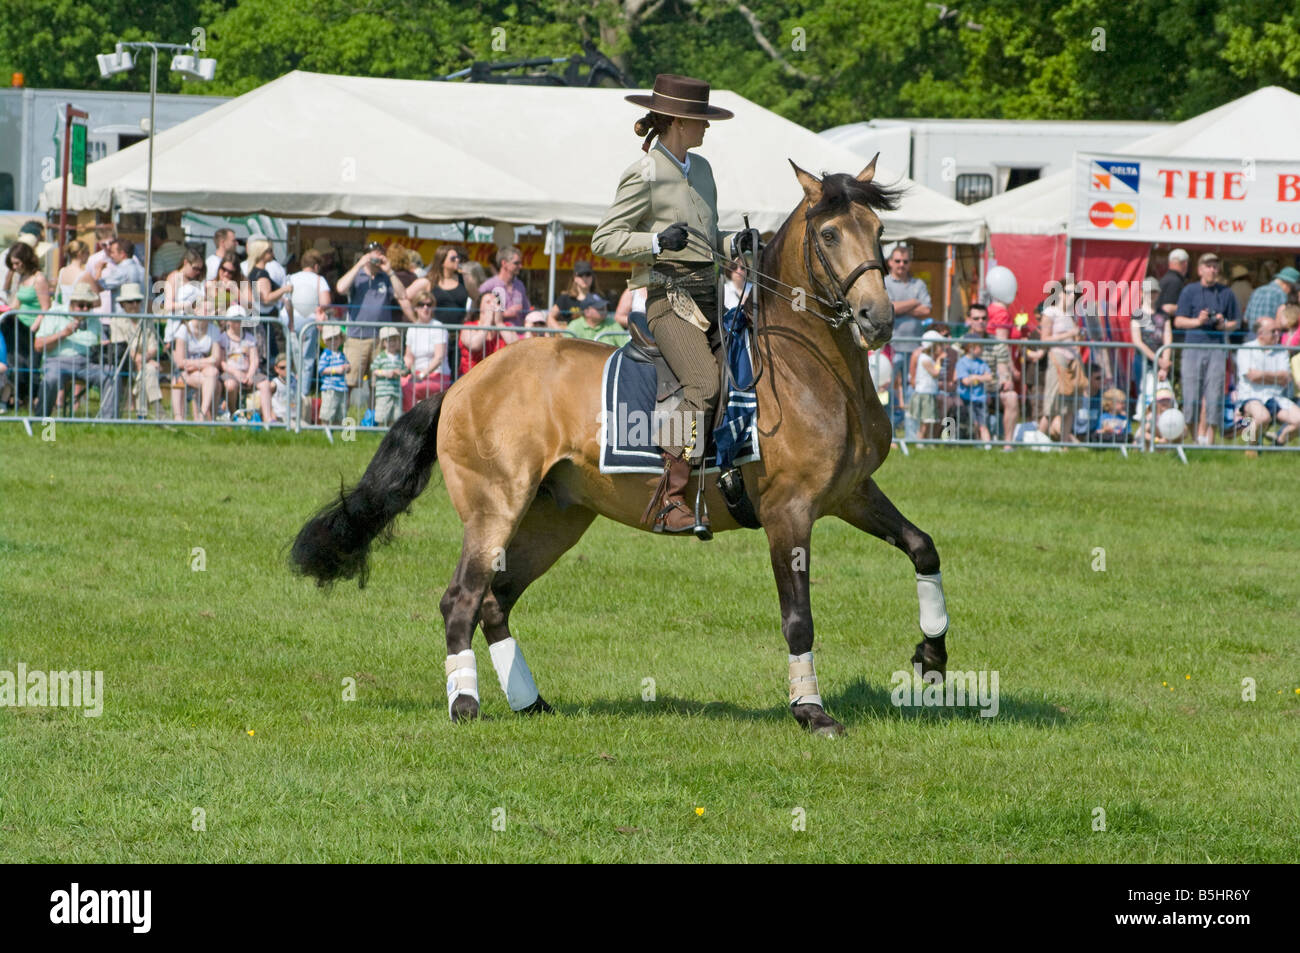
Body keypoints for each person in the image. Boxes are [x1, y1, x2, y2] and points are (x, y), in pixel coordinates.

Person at [590, 72, 749, 535]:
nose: (706, 128)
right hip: (669, 298)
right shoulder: (644, 173)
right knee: (702, 384)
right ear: (679, 121)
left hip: (712, 296)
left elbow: (706, 239)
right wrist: (656, 242)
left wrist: (732, 241)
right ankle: (671, 497)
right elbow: (605, 238)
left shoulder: (702, 170)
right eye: (701, 119)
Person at [336, 242, 414, 417]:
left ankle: (372, 420)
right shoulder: (357, 275)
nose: (376, 257)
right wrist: (359, 264)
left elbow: (403, 295)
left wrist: (390, 271)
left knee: (376, 383)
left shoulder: (385, 277)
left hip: (381, 340)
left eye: (380, 253)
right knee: (350, 381)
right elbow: (340, 288)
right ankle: (344, 420)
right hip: (357, 337)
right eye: (373, 253)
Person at [1174, 252, 1239, 444]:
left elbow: (1236, 322)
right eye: (1208, 266)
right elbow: (1178, 321)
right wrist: (1198, 321)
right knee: (1191, 392)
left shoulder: (1226, 293)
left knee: (1215, 393)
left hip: (1217, 348)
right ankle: (1194, 439)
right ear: (1200, 269)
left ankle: (1209, 440)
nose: (1212, 269)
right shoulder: (1189, 291)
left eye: (1215, 266)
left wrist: (1222, 324)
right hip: (1193, 347)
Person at [32, 282, 119, 419]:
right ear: (72, 303)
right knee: (51, 378)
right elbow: (38, 345)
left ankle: (108, 422)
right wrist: (64, 333)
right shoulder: (55, 313)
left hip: (86, 363)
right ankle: (41, 419)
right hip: (56, 362)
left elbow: (101, 342)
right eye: (81, 305)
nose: (85, 309)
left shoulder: (94, 320)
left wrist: (108, 346)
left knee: (111, 374)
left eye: (88, 305)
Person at [1235, 316, 1300, 453]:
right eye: (1273, 331)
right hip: (1251, 396)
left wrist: (1262, 375)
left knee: (1298, 420)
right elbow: (1252, 376)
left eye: (1278, 330)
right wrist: (1275, 376)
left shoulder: (1281, 350)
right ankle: (1251, 447)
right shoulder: (1246, 349)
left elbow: (1286, 377)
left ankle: (1276, 445)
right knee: (1262, 417)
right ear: (1261, 334)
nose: (1278, 334)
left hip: (1275, 397)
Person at [885, 243, 932, 430]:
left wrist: (898, 307)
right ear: (890, 262)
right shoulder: (884, 282)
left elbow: (927, 309)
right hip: (891, 346)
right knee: (887, 390)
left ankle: (911, 433)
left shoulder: (918, 284)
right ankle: (889, 432)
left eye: (905, 261)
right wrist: (913, 302)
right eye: (897, 261)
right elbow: (888, 309)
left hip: (915, 349)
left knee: (913, 391)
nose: (901, 265)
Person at [287, 248, 332, 410]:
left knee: (291, 360)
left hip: (289, 321)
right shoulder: (319, 280)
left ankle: (289, 395)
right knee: (306, 360)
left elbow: (286, 300)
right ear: (316, 266)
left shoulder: (291, 277)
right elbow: (325, 302)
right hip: (309, 323)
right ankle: (302, 396)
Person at [1038, 282, 1082, 442]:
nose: (1072, 296)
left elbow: (1075, 338)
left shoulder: (1071, 315)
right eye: (1068, 292)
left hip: (1072, 360)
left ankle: (1065, 445)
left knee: (1069, 405)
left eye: (1075, 294)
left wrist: (1076, 337)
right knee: (1052, 403)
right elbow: (1044, 339)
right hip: (1057, 359)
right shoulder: (1050, 312)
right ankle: (1037, 439)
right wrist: (1068, 334)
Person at [115, 283, 162, 419]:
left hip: (144, 362)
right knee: (149, 370)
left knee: (149, 370)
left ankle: (144, 414)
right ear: (123, 304)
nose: (135, 304)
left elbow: (153, 347)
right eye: (130, 301)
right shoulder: (117, 321)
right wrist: (140, 359)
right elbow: (122, 348)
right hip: (125, 363)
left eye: (138, 301)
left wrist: (143, 358)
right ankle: (156, 410)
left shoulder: (147, 320)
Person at [1130, 275, 1172, 427]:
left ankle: (1160, 427)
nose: (1152, 295)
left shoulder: (1163, 315)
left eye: (1155, 292)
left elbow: (1168, 338)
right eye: (1149, 291)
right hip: (1143, 361)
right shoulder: (1137, 314)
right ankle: (1143, 428)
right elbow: (1137, 341)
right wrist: (1158, 360)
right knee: (1145, 394)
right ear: (1141, 293)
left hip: (1161, 363)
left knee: (1162, 395)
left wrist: (1165, 363)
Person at [218, 306, 273, 423]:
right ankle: (234, 414)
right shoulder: (223, 338)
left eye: (240, 319)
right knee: (230, 385)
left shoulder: (249, 338)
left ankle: (267, 418)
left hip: (248, 372)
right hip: (231, 372)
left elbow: (254, 359)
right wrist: (236, 373)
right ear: (228, 320)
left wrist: (250, 374)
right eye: (235, 319)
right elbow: (222, 362)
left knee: (266, 384)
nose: (237, 323)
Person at [170, 312, 222, 421]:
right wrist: (206, 361)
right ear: (196, 311)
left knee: (213, 372)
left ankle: (202, 415)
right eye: (206, 310)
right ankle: (178, 418)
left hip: (200, 371)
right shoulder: (184, 329)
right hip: (184, 372)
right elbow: (180, 362)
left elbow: (216, 359)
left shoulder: (214, 329)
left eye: (211, 310)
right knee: (178, 381)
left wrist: (193, 364)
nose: (209, 313)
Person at [402, 293, 451, 409]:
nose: (425, 308)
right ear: (415, 308)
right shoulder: (412, 329)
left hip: (438, 375)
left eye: (429, 305)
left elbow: (439, 358)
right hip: (417, 375)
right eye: (421, 304)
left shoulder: (438, 326)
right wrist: (401, 369)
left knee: (408, 387)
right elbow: (408, 356)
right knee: (397, 384)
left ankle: (413, 423)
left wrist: (423, 374)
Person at [459, 291, 517, 377]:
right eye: (488, 302)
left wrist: (499, 323)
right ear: (480, 307)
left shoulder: (506, 327)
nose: (493, 305)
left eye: (496, 302)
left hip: (500, 378)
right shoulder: (469, 327)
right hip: (472, 379)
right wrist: (487, 322)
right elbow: (474, 345)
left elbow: (517, 345)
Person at [478, 245, 532, 327]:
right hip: (497, 336)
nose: (520, 266)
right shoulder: (488, 286)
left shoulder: (520, 285)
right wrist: (504, 314)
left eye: (520, 263)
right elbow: (481, 315)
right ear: (504, 263)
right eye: (516, 263)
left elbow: (526, 312)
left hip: (517, 335)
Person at [908, 329, 944, 440]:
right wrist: (939, 360)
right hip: (924, 394)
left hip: (929, 392)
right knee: (925, 421)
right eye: (939, 345)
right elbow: (935, 373)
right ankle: (920, 441)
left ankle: (925, 440)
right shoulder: (925, 359)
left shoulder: (928, 358)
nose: (941, 348)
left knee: (928, 421)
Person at [93, 239, 146, 313]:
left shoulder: (120, 271)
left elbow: (97, 287)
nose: (111, 255)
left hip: (122, 318)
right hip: (141, 317)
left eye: (112, 252)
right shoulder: (143, 271)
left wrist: (98, 270)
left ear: (122, 254)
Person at [955, 340, 993, 444]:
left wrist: (975, 377)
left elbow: (989, 377)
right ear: (971, 348)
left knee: (983, 423)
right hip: (966, 399)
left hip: (980, 398)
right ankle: (976, 442)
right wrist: (981, 378)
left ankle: (987, 445)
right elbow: (965, 381)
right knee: (974, 423)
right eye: (979, 347)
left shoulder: (981, 362)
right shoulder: (962, 362)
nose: (982, 349)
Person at [1243, 266, 1297, 337]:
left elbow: (1246, 319)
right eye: (1292, 288)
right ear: (1286, 284)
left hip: (1252, 337)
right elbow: (1284, 322)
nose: (1290, 291)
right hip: (1271, 338)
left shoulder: (1257, 290)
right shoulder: (1281, 294)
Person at [547, 260, 601, 329]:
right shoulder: (565, 298)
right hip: (572, 337)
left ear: (592, 277)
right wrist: (563, 333)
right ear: (575, 278)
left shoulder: (598, 299)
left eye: (588, 274)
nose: (584, 278)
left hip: (590, 337)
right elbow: (550, 317)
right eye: (580, 275)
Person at [372, 325, 406, 426]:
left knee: (396, 416)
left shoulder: (399, 358)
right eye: (389, 340)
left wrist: (400, 372)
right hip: (384, 392)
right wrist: (385, 373)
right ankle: (381, 431)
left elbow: (405, 370)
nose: (392, 343)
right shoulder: (381, 357)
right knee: (382, 416)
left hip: (396, 392)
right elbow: (374, 369)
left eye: (394, 340)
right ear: (383, 343)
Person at [316, 325, 350, 425]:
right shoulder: (326, 354)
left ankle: (336, 432)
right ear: (325, 341)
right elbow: (321, 370)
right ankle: (325, 430)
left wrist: (347, 367)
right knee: (328, 411)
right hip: (330, 387)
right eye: (330, 339)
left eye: (336, 338)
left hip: (342, 388)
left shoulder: (342, 354)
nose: (334, 341)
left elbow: (347, 366)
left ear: (340, 339)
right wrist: (336, 370)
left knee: (340, 413)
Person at [55, 239, 96, 306]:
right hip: (80, 314)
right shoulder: (84, 274)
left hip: (64, 312)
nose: (89, 255)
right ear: (80, 254)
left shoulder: (62, 271)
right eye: (87, 252)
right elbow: (96, 301)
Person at [1157, 248, 1189, 330]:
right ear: (1185, 263)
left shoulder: (1165, 279)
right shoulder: (1175, 281)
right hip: (1171, 330)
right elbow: (1168, 308)